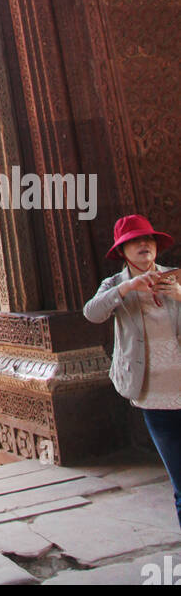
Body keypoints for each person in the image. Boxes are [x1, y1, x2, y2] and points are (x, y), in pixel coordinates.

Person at [83, 214, 181, 528]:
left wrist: (179, 294)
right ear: (122, 251)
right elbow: (93, 313)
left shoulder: (175, 277)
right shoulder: (114, 285)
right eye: (134, 241)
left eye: (148, 239)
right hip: (155, 396)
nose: (143, 245)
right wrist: (127, 288)